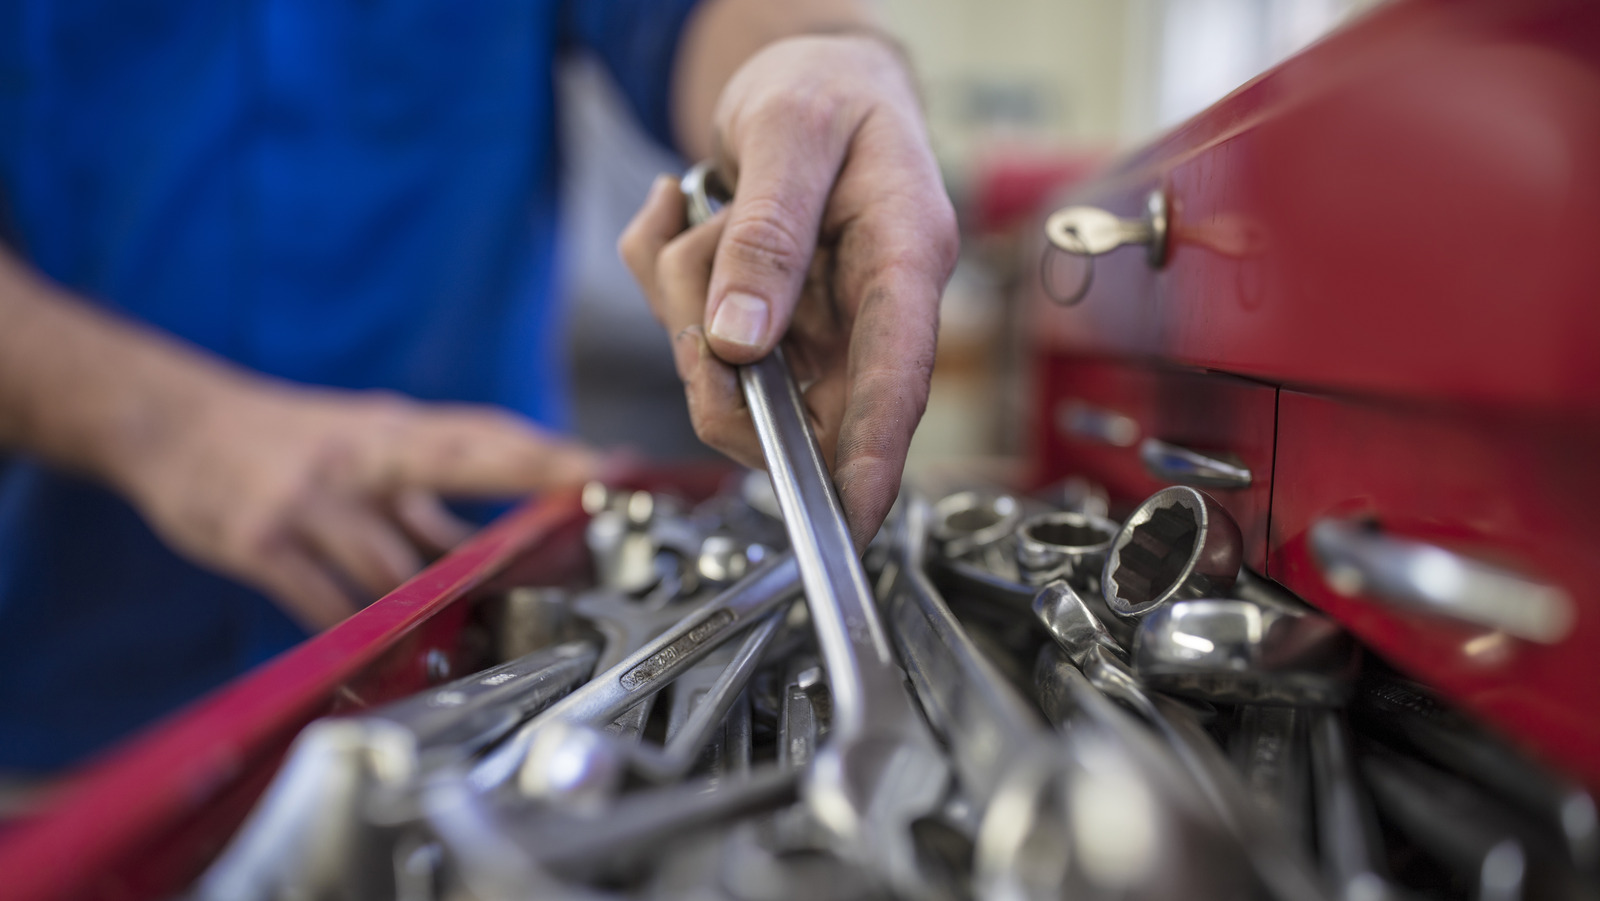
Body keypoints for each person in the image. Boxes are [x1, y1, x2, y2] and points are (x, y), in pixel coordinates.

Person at [0, 0, 957, 771]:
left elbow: (705, 17)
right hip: (70, 704)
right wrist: (165, 424)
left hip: (491, 639)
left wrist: (813, 67)